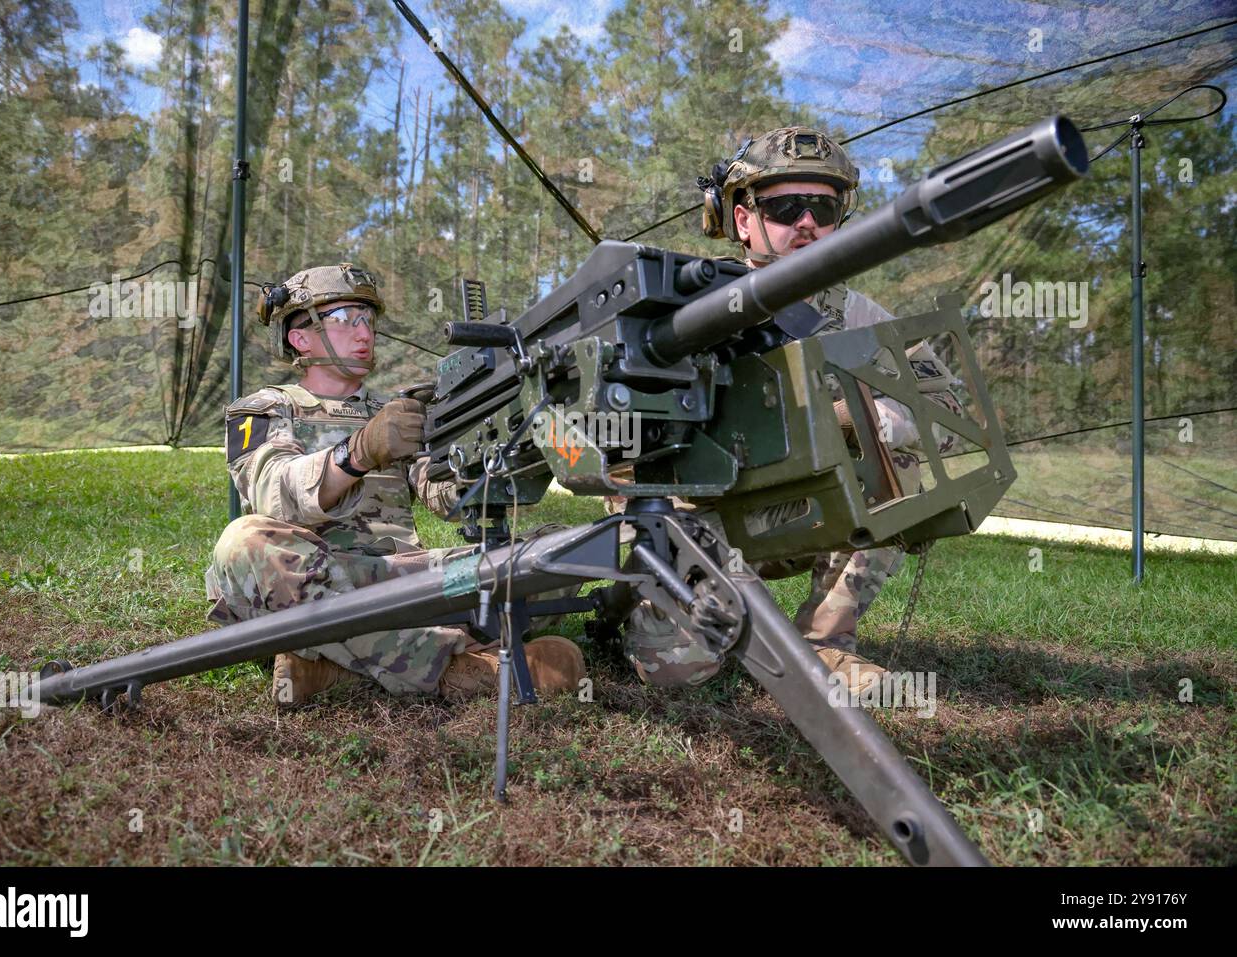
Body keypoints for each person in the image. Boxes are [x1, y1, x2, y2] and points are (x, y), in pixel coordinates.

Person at [618, 126, 965, 693]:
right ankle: (638, 604)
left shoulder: (859, 316)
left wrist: (862, 420)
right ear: (743, 220)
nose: (807, 222)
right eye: (785, 206)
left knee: (896, 467)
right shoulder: (684, 305)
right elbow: (618, 444)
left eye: (823, 208)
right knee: (680, 672)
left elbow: (946, 414)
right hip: (699, 521)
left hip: (804, 515)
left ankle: (825, 645)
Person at [203, 262, 584, 708]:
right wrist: (360, 451)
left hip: (404, 580)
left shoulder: (397, 411)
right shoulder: (266, 409)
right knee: (243, 543)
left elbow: (446, 496)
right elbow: (275, 492)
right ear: (300, 337)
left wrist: (497, 449)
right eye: (345, 319)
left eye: (368, 320)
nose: (364, 333)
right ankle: (458, 670)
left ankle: (332, 667)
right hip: (316, 578)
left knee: (559, 549)